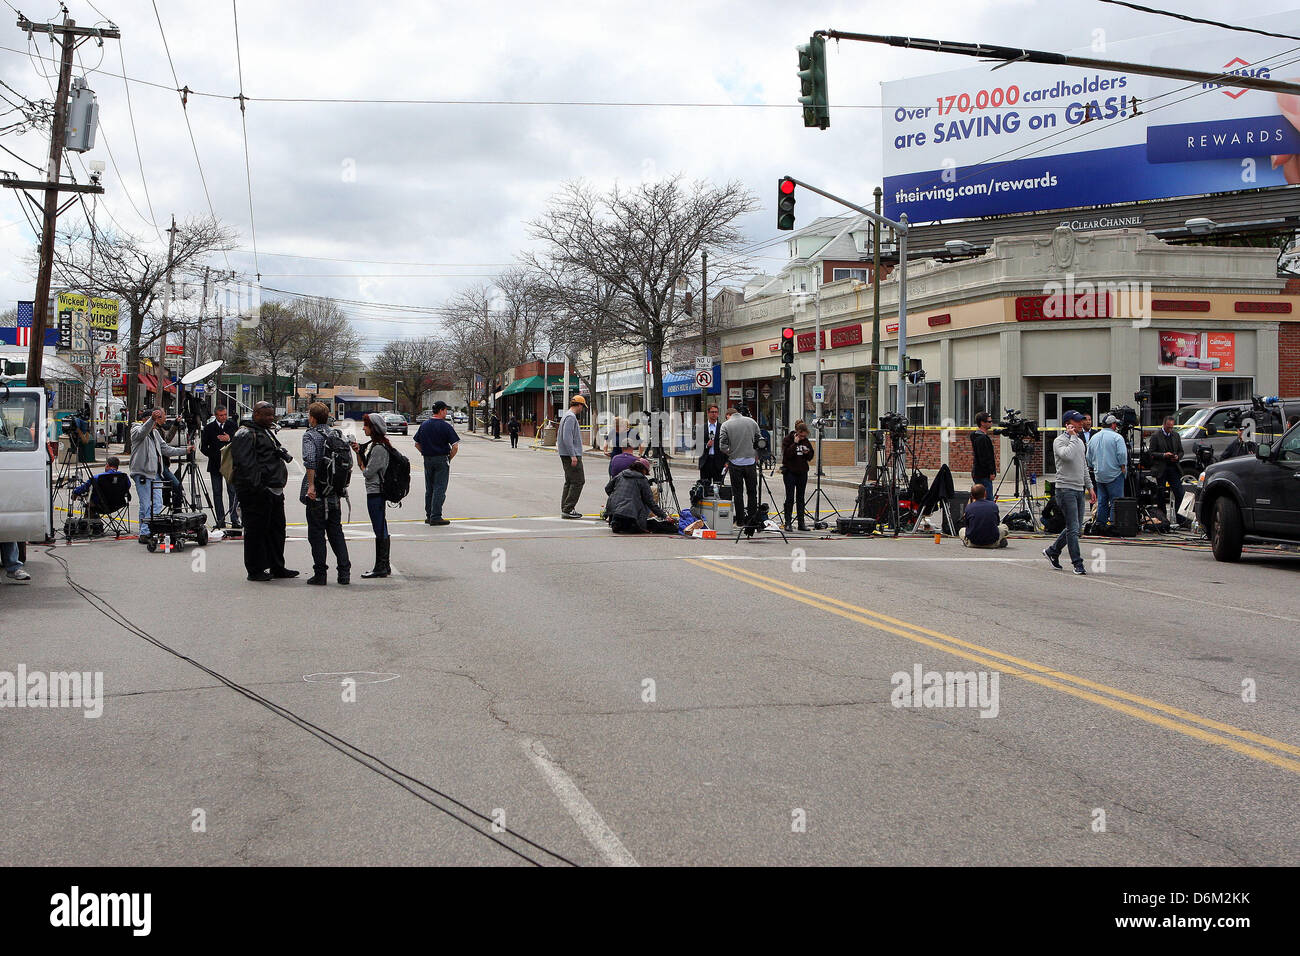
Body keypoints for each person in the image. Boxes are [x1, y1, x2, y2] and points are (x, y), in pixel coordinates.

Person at [230, 401, 297, 582]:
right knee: (255, 532)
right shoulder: (245, 434)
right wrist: (259, 488)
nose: (271, 418)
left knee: (277, 530)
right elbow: (246, 465)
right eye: (267, 415)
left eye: (272, 415)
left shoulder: (265, 431)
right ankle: (255, 569)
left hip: (274, 490)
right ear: (256, 415)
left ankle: (277, 566)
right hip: (257, 492)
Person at [301, 402, 350, 586]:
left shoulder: (310, 435)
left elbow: (310, 461)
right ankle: (344, 572)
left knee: (316, 535)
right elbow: (348, 463)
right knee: (336, 532)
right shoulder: (336, 434)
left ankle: (320, 574)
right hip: (334, 494)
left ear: (312, 418)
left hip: (318, 494)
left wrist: (311, 486)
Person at [1042, 410, 1095, 575]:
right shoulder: (1060, 441)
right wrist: (1072, 437)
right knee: (1073, 528)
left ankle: (1053, 551)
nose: (1081, 423)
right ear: (1068, 424)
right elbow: (1067, 456)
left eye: (1082, 421)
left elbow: (1083, 466)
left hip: (1079, 489)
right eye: (1077, 421)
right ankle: (1077, 563)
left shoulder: (1079, 442)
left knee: (1077, 528)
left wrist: (1090, 487)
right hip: (1065, 489)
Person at [129, 407, 192, 542]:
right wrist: (151, 419)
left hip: (155, 473)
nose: (155, 423)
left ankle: (145, 531)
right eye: (153, 420)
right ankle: (145, 533)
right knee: (146, 504)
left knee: (156, 503)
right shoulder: (136, 430)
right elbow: (142, 432)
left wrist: (184, 451)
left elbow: (166, 449)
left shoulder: (156, 434)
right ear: (146, 420)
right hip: (142, 473)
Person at [350, 413, 392, 578]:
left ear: (373, 428)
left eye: (366, 425)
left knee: (379, 528)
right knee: (381, 527)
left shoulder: (379, 448)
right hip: (376, 492)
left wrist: (361, 464)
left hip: (376, 492)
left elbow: (368, 472)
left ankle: (381, 566)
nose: (363, 428)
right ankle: (384, 565)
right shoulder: (376, 445)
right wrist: (358, 452)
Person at [413, 400, 460, 526]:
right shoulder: (445, 426)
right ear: (441, 410)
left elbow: (417, 443)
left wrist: (425, 452)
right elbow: (455, 446)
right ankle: (436, 516)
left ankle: (429, 515)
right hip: (441, 458)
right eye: (445, 410)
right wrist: (449, 458)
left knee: (430, 488)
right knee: (440, 487)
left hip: (427, 458)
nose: (446, 412)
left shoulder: (424, 425)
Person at [604, 458, 675, 534]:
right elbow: (650, 502)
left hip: (613, 509)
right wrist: (664, 516)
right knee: (642, 504)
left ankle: (616, 522)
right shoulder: (642, 479)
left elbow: (607, 488)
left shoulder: (622, 474)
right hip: (630, 512)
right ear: (643, 470)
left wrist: (616, 497)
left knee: (625, 504)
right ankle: (632, 524)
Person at [200, 406, 241, 529]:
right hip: (215, 465)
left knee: (232, 492)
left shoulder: (232, 425)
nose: (223, 417)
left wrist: (229, 439)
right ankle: (220, 519)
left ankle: (234, 519)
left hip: (230, 464)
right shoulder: (209, 428)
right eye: (221, 415)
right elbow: (203, 447)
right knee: (217, 493)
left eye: (225, 415)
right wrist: (214, 455)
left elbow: (240, 441)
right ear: (216, 415)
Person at [719, 403, 759, 527]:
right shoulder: (752, 422)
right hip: (750, 462)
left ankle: (740, 520)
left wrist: (731, 452)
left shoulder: (726, 425)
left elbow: (722, 445)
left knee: (738, 493)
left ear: (729, 415)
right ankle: (752, 520)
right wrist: (754, 453)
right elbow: (760, 440)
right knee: (752, 492)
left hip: (735, 462)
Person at [1086, 413, 1128, 529]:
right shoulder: (1117, 438)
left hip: (1099, 475)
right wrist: (1123, 468)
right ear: (1113, 425)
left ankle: (1101, 524)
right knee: (1116, 501)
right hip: (1115, 474)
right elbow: (1122, 455)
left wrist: (1093, 467)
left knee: (1102, 501)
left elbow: (1088, 457)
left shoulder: (1094, 437)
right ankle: (1114, 525)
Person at [1147, 414, 1185, 517]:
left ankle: (1180, 519)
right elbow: (1151, 453)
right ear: (1164, 425)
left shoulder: (1176, 435)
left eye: (1172, 427)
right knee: (1161, 494)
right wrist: (1164, 455)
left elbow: (1181, 451)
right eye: (1168, 427)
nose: (1170, 429)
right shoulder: (1156, 436)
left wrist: (1177, 457)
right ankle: (1162, 518)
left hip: (1173, 467)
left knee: (1179, 493)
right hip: (1161, 468)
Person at [781, 421, 815, 531]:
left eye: (804, 436)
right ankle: (788, 522)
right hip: (790, 472)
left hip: (802, 472)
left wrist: (807, 452)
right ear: (797, 433)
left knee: (801, 498)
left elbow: (810, 456)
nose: (802, 438)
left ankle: (801, 523)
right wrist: (795, 444)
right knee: (790, 497)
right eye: (801, 436)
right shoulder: (788, 440)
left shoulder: (805, 441)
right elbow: (786, 455)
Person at [557, 395, 586, 518]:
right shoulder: (571, 417)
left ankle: (565, 507)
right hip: (571, 455)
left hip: (566, 454)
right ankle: (568, 508)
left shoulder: (567, 415)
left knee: (569, 482)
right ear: (579, 405)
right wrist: (573, 455)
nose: (582, 409)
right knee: (578, 481)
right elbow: (567, 437)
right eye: (582, 406)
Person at [959, 484, 1007, 548]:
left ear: (972, 496)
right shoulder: (993, 505)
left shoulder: (969, 507)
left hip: (973, 542)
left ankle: (967, 542)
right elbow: (996, 523)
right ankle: (998, 541)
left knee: (962, 530)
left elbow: (967, 525)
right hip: (992, 541)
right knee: (1004, 527)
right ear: (985, 493)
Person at [969, 411, 997, 502]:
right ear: (982, 423)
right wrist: (991, 472)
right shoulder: (982, 439)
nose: (991, 423)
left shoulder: (976, 436)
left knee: (980, 498)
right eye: (989, 422)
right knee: (988, 499)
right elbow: (985, 458)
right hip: (983, 474)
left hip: (978, 473)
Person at [698, 404, 727, 486]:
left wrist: (727, 461)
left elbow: (726, 444)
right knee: (705, 487)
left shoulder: (722, 428)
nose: (714, 414)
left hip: (718, 461)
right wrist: (706, 445)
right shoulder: (701, 428)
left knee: (718, 487)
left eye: (716, 412)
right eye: (712, 412)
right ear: (708, 413)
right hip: (705, 461)